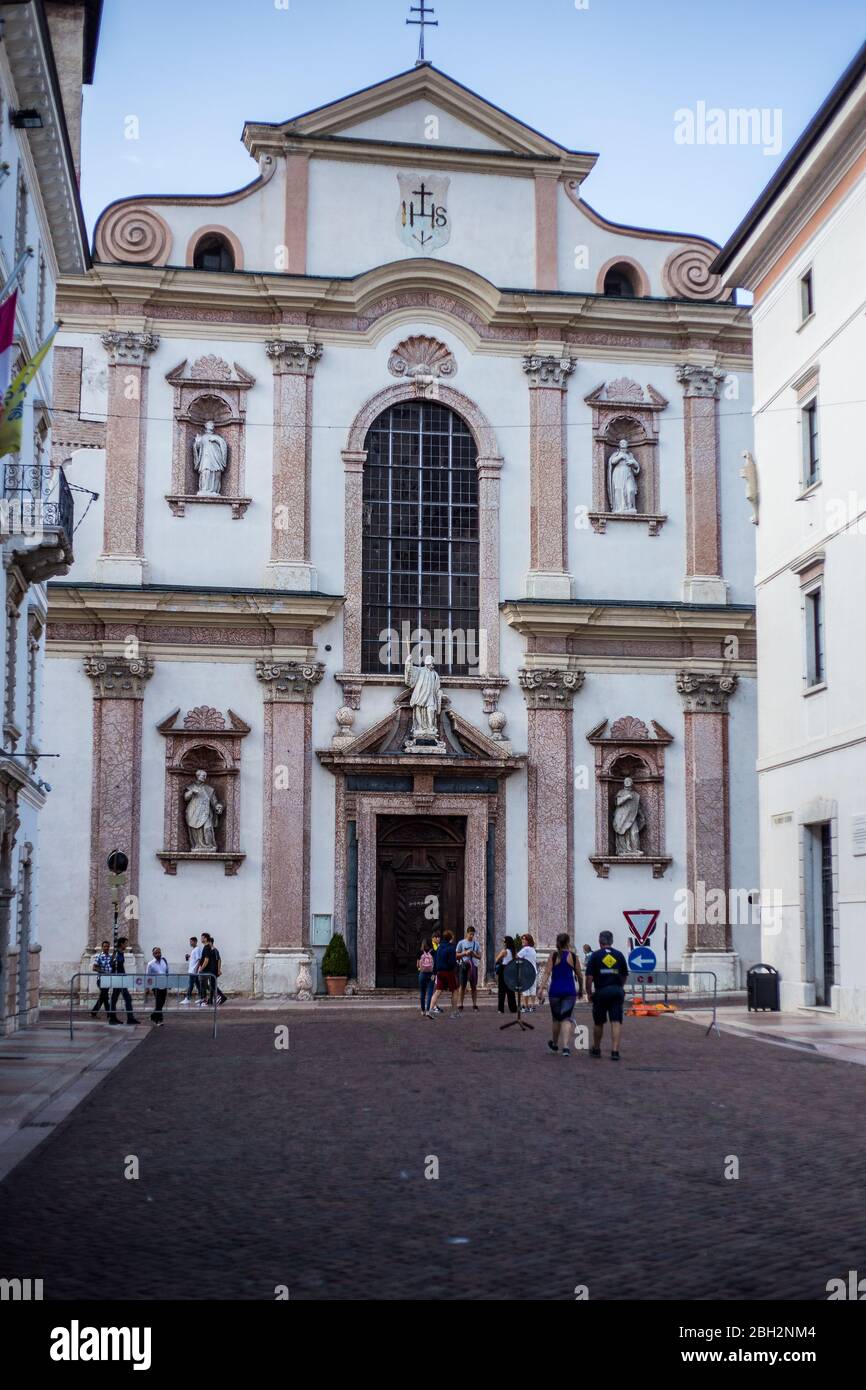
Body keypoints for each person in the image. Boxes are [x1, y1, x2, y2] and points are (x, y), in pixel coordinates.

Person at [584, 930, 629, 1060]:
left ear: (599, 942)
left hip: (601, 992)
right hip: (616, 991)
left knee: (599, 1022)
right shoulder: (619, 955)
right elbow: (625, 975)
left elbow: (589, 977)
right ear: (612, 941)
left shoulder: (595, 956)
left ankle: (597, 1049)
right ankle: (615, 1051)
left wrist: (589, 993)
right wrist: (620, 986)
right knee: (616, 1021)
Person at [538, 933, 583, 1057]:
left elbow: (547, 973)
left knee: (556, 1018)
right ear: (568, 942)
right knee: (566, 1018)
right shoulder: (573, 957)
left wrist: (541, 988)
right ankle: (566, 1047)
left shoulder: (553, 956)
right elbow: (579, 975)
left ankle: (554, 1043)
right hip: (569, 991)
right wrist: (581, 989)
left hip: (555, 991)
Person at [426, 929, 459, 1018]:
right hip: (448, 972)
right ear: (450, 938)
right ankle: (454, 1012)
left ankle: (430, 1011)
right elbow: (452, 962)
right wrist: (455, 966)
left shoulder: (439, 947)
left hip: (439, 972)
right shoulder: (451, 948)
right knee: (455, 991)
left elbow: (436, 961)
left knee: (437, 991)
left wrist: (435, 972)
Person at [108, 937, 140, 1026]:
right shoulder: (117, 952)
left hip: (121, 978)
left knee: (126, 998)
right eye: (125, 943)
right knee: (115, 998)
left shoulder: (120, 953)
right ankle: (113, 1018)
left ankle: (129, 1018)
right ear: (121, 944)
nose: (126, 945)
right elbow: (112, 963)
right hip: (118, 979)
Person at [456, 926, 481, 1011]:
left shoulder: (476, 944)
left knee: (473, 986)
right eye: (470, 934)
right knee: (462, 986)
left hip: (473, 967)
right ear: (467, 933)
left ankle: (474, 1005)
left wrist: (473, 954)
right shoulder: (461, 943)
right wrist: (464, 953)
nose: (471, 936)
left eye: (473, 935)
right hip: (463, 966)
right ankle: (460, 1005)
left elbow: (480, 956)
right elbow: (456, 955)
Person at [197, 933, 226, 1006]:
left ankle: (222, 997)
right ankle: (210, 1000)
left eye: (202, 938)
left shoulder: (214, 950)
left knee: (212, 985)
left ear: (210, 941)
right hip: (212, 970)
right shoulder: (210, 949)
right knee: (212, 985)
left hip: (213, 970)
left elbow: (219, 960)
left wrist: (218, 970)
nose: (201, 939)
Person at [146, 946, 169, 1026]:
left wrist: (169, 983)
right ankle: (158, 1020)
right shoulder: (150, 964)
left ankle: (153, 1015)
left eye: (159, 952)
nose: (158, 954)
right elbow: (148, 976)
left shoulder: (164, 961)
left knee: (162, 1002)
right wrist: (147, 987)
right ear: (153, 954)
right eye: (156, 953)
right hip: (156, 986)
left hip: (164, 985)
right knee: (158, 1003)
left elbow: (167, 973)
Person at [495, 935, 518, 1015]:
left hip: (504, 969)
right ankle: (513, 1008)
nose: (503, 943)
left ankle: (500, 1009)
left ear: (507, 942)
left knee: (501, 991)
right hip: (511, 970)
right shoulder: (514, 951)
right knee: (510, 991)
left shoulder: (504, 951)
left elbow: (497, 959)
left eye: (504, 941)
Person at [90, 940, 113, 1018]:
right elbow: (94, 968)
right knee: (104, 995)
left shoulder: (111, 957)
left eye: (107, 946)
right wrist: (104, 972)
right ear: (102, 947)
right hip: (101, 979)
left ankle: (96, 1012)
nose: (106, 948)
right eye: (104, 946)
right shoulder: (99, 956)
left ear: (109, 947)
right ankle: (108, 1013)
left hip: (108, 979)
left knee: (104, 996)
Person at [516, 934, 538, 1012]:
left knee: (525, 989)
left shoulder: (525, 949)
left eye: (524, 939)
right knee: (533, 989)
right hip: (533, 971)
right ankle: (532, 1006)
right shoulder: (533, 949)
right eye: (522, 939)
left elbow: (517, 957)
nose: (522, 940)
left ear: (528, 941)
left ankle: (525, 1007)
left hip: (525, 972)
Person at [182, 935, 203, 1004]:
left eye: (191, 942)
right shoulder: (194, 950)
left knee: (190, 984)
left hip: (193, 971)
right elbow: (194, 959)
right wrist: (189, 956)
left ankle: (188, 998)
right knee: (197, 984)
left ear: (195, 942)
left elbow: (199, 959)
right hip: (193, 970)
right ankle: (201, 997)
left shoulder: (197, 949)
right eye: (190, 942)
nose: (190, 943)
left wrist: (196, 970)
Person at [417, 938, 435, 1016]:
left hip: (422, 974)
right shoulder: (434, 952)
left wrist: (420, 968)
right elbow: (435, 964)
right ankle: (428, 1010)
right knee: (430, 992)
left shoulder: (420, 952)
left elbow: (417, 965)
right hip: (431, 974)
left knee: (422, 992)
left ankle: (422, 1010)